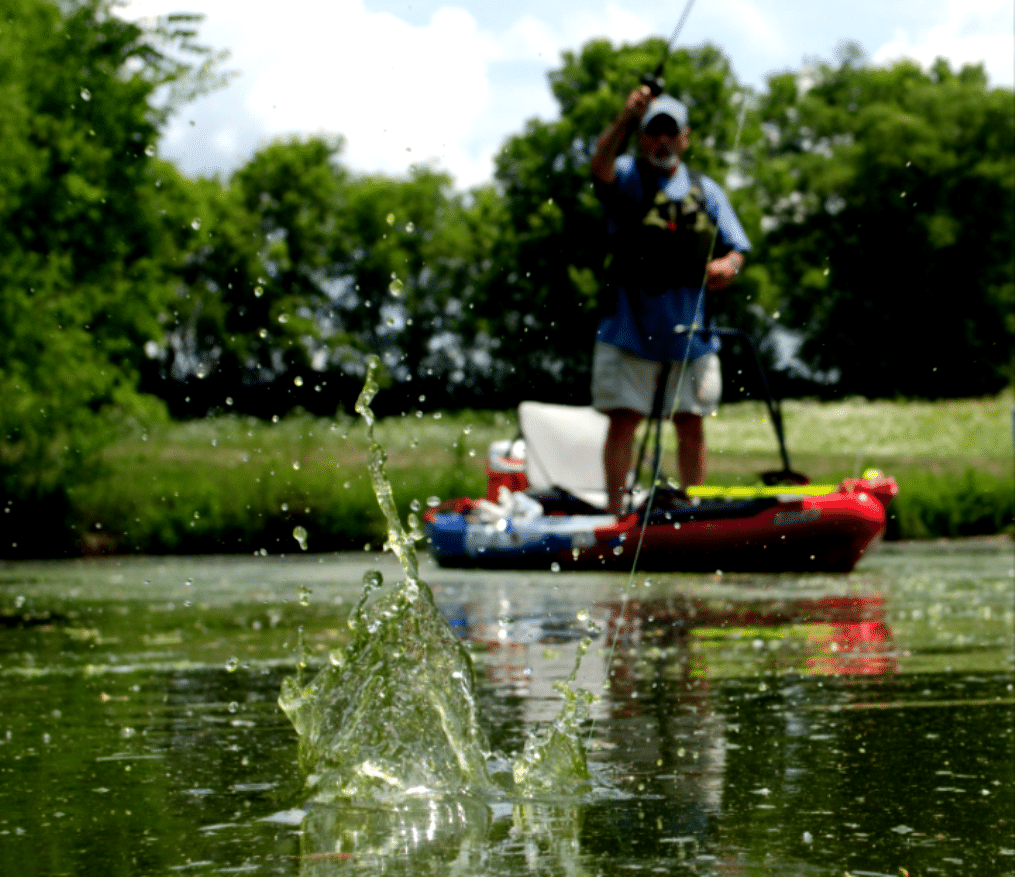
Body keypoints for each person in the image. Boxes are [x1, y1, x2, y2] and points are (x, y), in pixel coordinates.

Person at [590, 86, 750, 518]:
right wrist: (625, 117)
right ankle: (614, 514)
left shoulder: (706, 189)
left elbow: (737, 248)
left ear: (685, 137)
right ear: (642, 137)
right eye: (652, 132)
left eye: (670, 132)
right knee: (624, 419)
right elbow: (598, 167)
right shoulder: (625, 175)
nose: (661, 140)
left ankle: (692, 509)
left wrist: (729, 267)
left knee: (691, 422)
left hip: (692, 335)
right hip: (629, 330)